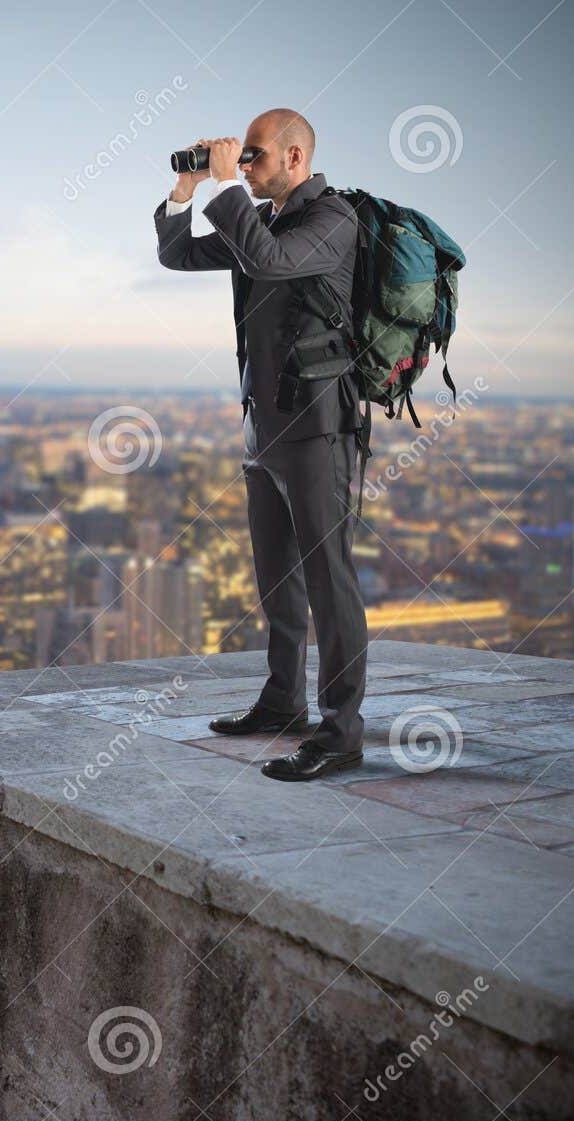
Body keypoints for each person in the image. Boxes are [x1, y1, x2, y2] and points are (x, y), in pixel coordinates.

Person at [153, 108, 367, 782]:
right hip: (262, 423)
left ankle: (341, 733)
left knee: (329, 581)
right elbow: (177, 253)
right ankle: (283, 704)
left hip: (318, 425)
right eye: (239, 158)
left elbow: (271, 265)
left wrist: (226, 191)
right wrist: (186, 193)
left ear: (296, 158)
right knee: (278, 577)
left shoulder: (331, 222)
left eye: (255, 156)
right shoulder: (263, 218)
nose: (244, 167)